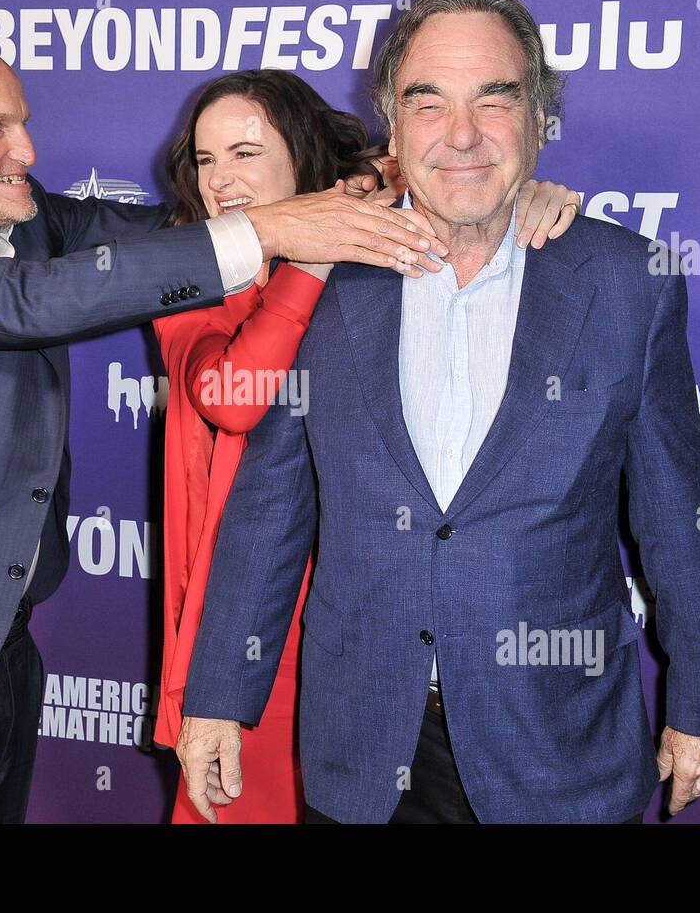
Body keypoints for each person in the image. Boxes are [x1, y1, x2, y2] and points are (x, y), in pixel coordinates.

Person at [0, 33, 451, 823]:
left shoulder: (21, 211)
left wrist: (352, 186)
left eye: (21, 121)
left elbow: (181, 228)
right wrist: (273, 234)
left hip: (0, 643)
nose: (27, 146)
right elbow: (15, 303)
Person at [176, 0, 700, 824]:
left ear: (539, 116)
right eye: (428, 102)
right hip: (366, 747)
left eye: (495, 98)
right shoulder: (326, 275)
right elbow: (271, 503)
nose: (464, 135)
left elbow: (677, 510)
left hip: (558, 749)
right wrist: (218, 691)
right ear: (393, 125)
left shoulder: (626, 283)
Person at [153, 68, 580, 823]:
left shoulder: (377, 237)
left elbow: (462, 170)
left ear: (306, 161)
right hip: (246, 627)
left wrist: (531, 200)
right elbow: (235, 398)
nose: (221, 181)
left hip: (366, 626)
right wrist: (312, 256)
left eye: (246, 153)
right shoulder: (191, 274)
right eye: (207, 160)